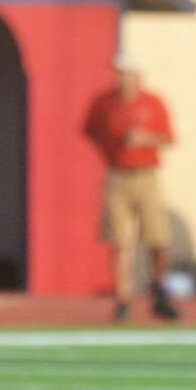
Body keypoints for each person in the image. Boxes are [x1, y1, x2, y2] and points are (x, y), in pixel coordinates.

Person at [83, 53, 179, 322]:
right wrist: (110, 149)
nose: (120, 78)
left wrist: (144, 139)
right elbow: (90, 131)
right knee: (120, 241)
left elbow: (168, 138)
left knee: (158, 238)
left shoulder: (152, 103)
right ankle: (123, 299)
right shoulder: (104, 104)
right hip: (117, 175)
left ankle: (159, 289)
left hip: (147, 175)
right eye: (118, 73)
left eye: (125, 73)